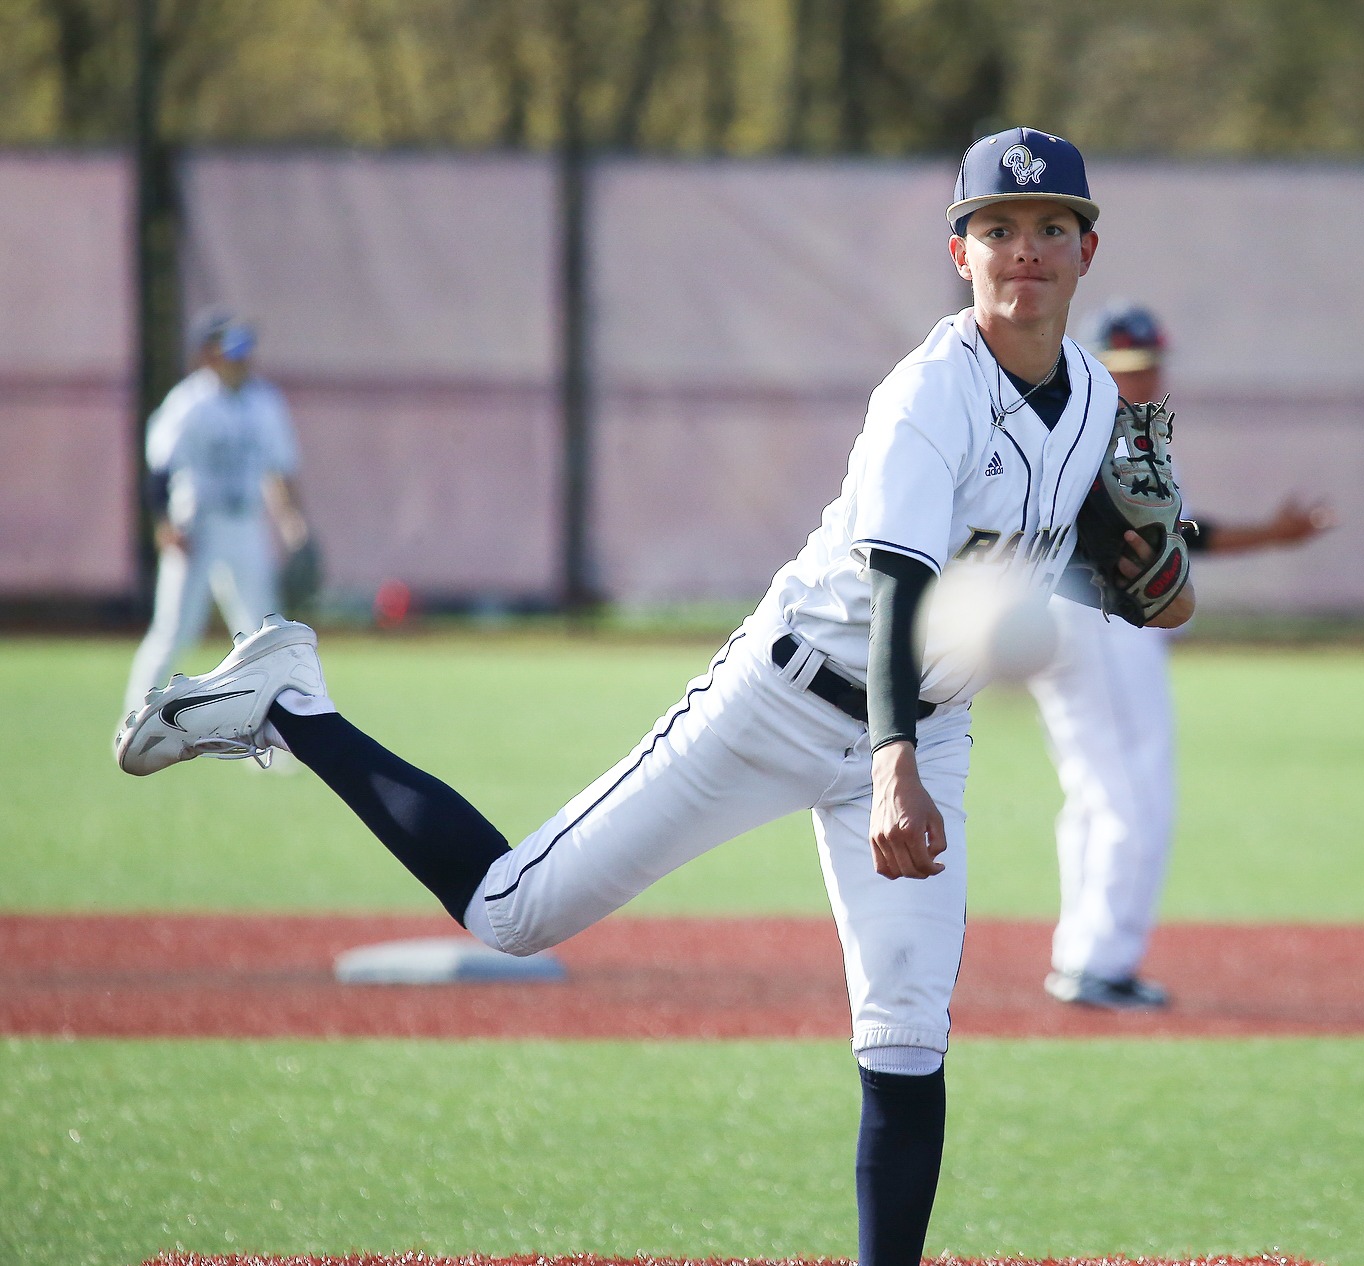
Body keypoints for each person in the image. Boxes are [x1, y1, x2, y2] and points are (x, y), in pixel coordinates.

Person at [114, 128, 1195, 1266]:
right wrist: (891, 767)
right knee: (510, 913)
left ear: (1084, 250)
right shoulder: (928, 395)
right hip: (783, 703)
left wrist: (1150, 589)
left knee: (907, 1030)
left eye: (1046, 230)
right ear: (957, 250)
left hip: (931, 727)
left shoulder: (1087, 406)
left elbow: (1080, 567)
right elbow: (900, 591)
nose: (1022, 252)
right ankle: (291, 704)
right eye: (997, 231)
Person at [1030, 303, 1332, 1010]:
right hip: (1102, 623)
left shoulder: (1080, 423)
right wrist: (1271, 536)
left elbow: (1174, 533)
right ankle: (1099, 966)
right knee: (1135, 797)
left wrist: (1271, 536)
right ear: (1097, 362)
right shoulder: (1101, 427)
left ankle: (1083, 954)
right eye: (1126, 366)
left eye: (1149, 365)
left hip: (1076, 621)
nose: (1141, 378)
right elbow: (1174, 541)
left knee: (1096, 795)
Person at [121, 312, 312, 720]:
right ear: (208, 355)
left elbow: (279, 470)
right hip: (197, 526)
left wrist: (294, 527)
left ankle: (279, 736)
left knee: (267, 635)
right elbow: (158, 468)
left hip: (245, 526)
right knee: (173, 631)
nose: (242, 360)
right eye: (232, 351)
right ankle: (134, 721)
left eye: (245, 351)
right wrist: (163, 523)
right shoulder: (189, 403)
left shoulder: (265, 401)